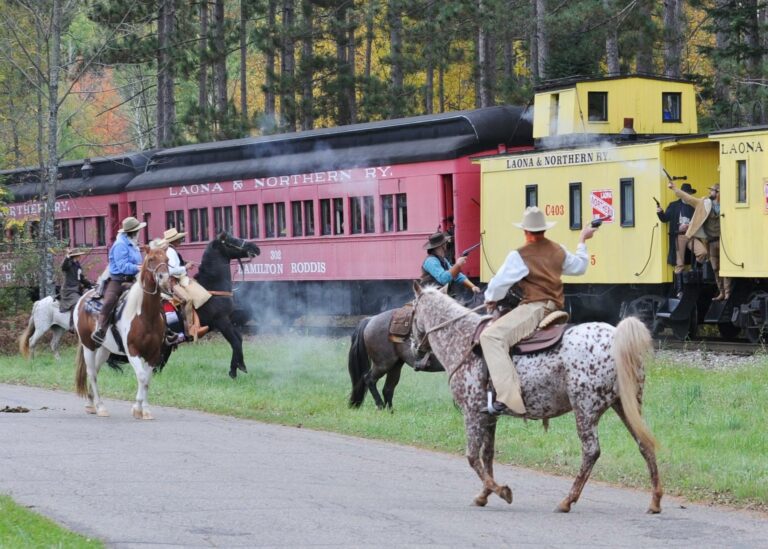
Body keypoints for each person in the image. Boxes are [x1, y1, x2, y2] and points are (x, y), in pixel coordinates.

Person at [480, 207, 596, 416]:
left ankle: (508, 399)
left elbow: (499, 284)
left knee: (490, 337)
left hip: (535, 308)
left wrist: (490, 298)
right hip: (555, 307)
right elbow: (580, 267)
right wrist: (582, 240)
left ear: (525, 231)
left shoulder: (519, 255)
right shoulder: (558, 250)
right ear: (544, 229)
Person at [669, 181, 732, 301]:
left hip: (724, 241)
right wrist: (675, 189)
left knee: (726, 268)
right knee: (715, 268)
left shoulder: (726, 205)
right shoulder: (704, 203)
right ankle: (721, 292)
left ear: (718, 193)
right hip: (711, 241)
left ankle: (728, 293)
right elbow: (688, 198)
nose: (709, 192)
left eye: (712, 190)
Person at [92, 216, 146, 346]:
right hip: (118, 281)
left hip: (134, 279)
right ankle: (101, 329)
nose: (139, 232)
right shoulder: (120, 245)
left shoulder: (134, 244)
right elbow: (122, 266)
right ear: (133, 232)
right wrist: (138, 267)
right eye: (138, 230)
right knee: (109, 301)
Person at [160, 227, 211, 339]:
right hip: (172, 283)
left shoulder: (171, 250)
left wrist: (184, 264)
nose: (180, 240)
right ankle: (190, 329)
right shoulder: (171, 251)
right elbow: (171, 271)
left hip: (176, 280)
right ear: (174, 241)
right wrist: (185, 267)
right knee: (187, 300)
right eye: (179, 239)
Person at [657, 183, 696, 296]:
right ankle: (679, 290)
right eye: (686, 193)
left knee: (701, 253)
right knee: (679, 264)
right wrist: (660, 212)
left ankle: (692, 276)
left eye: (689, 193)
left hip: (691, 236)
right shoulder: (673, 205)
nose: (687, 195)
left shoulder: (693, 207)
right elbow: (665, 219)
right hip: (678, 236)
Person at [421, 231, 481, 296]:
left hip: (439, 296)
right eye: (445, 243)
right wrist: (458, 265)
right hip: (430, 297)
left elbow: (457, 275)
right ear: (442, 245)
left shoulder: (443, 260)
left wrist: (472, 287)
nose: (446, 244)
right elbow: (443, 279)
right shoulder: (431, 261)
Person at [59, 248, 91, 313]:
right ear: (75, 256)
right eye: (78, 255)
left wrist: (90, 284)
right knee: (78, 303)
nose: (80, 256)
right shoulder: (68, 264)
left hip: (77, 289)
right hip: (69, 290)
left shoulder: (77, 265)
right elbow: (63, 267)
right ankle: (72, 319)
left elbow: (81, 278)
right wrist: (67, 256)